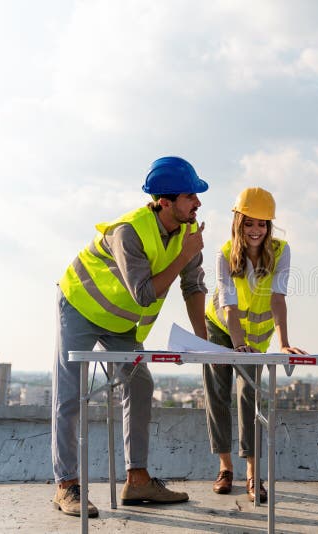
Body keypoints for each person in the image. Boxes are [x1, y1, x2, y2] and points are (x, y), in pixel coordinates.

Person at [51, 156, 209, 517]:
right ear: (165, 202)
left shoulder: (188, 232)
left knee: (139, 385)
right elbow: (144, 294)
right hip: (80, 305)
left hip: (120, 323)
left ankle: (137, 479)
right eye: (191, 196)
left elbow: (193, 285)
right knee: (70, 393)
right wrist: (185, 253)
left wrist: (202, 341)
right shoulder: (129, 232)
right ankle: (66, 486)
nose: (198, 203)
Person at [203, 187, 307, 503]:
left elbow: (278, 299)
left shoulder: (281, 251)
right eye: (249, 223)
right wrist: (236, 346)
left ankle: (252, 474)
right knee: (217, 393)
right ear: (238, 223)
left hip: (257, 337)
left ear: (269, 226)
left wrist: (285, 343)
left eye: (262, 224)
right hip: (222, 329)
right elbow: (230, 307)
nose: (256, 231)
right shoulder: (224, 254)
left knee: (250, 397)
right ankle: (225, 469)